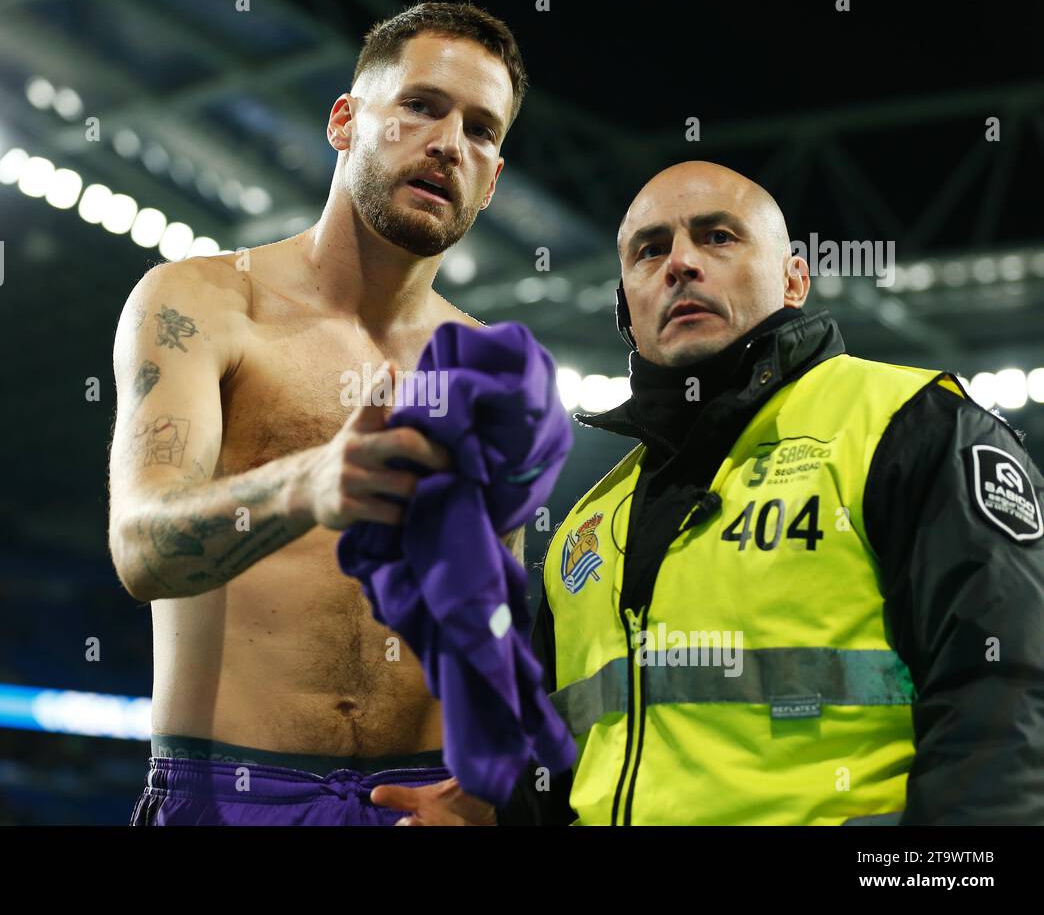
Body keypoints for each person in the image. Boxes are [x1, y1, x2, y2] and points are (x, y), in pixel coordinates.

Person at [372, 160, 1044, 825]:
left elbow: (1006, 698)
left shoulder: (910, 427)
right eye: (650, 250)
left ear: (793, 279)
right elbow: (574, 758)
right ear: (625, 310)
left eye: (718, 237)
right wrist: (489, 816)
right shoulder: (588, 524)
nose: (681, 263)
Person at [108, 1, 530, 825]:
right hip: (233, 795)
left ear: (494, 176)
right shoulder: (203, 300)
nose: (449, 142)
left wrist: (485, 787)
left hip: (422, 799)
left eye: (482, 130)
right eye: (420, 105)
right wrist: (308, 485)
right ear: (345, 121)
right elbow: (141, 547)